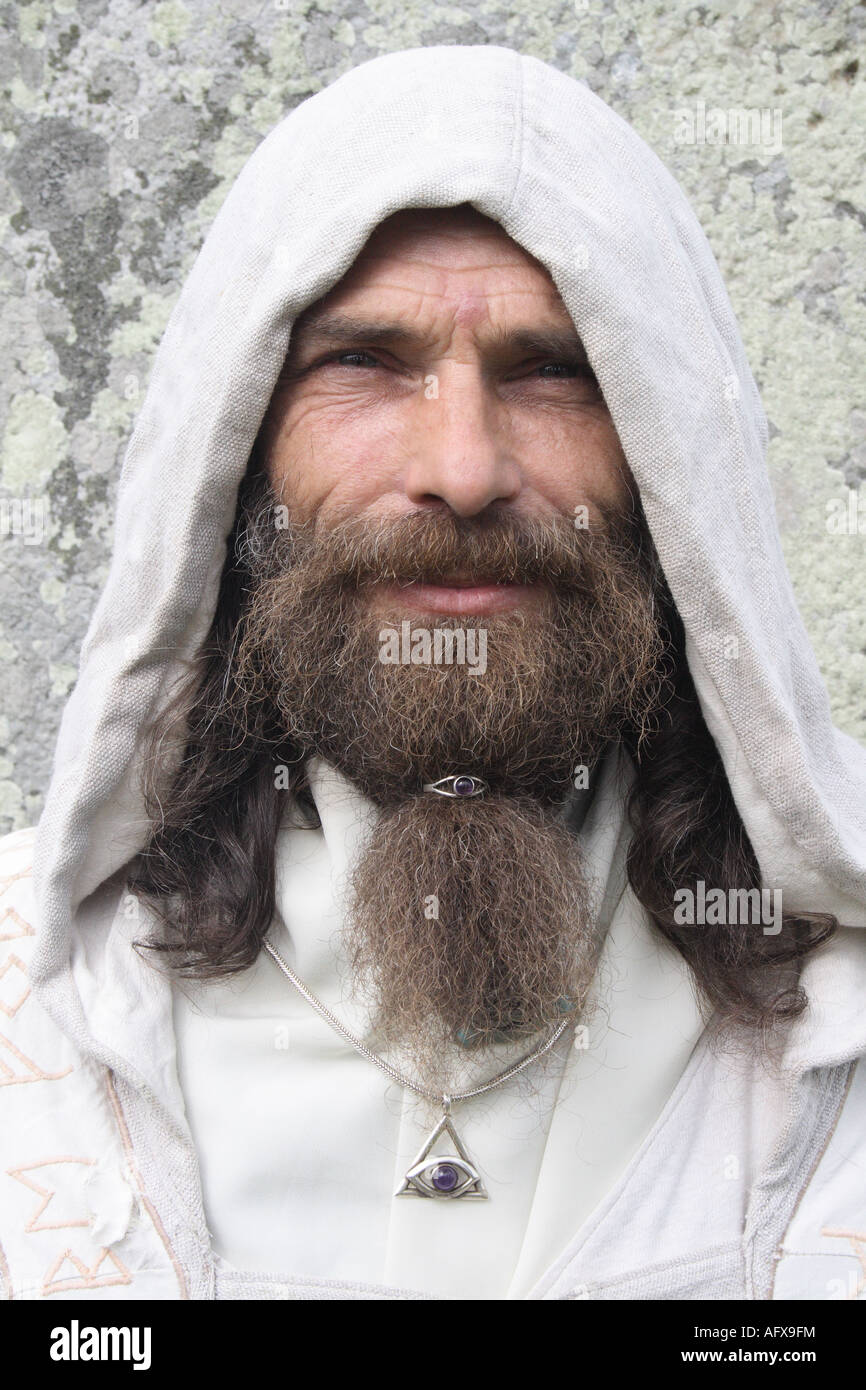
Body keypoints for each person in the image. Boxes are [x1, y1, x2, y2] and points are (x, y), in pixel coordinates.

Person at [1, 44, 865, 1304]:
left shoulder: (835, 1002)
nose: (461, 468)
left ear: (667, 458)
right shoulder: (39, 1005)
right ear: (239, 452)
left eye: (550, 370)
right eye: (362, 363)